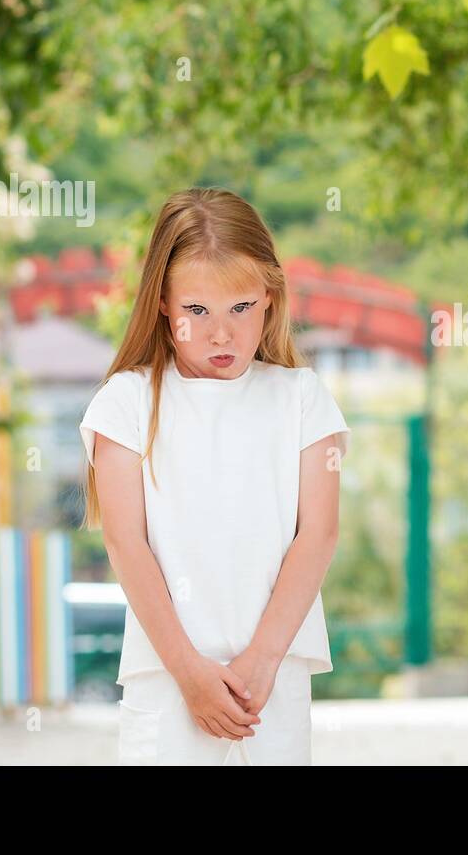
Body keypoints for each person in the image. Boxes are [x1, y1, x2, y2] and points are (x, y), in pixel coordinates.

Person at [79, 188, 350, 765]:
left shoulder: (302, 398)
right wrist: (188, 671)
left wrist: (263, 659)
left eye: (241, 308)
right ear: (162, 304)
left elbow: (317, 534)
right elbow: (126, 543)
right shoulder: (125, 403)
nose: (221, 334)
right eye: (197, 312)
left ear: (270, 298)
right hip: (167, 672)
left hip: (273, 675)